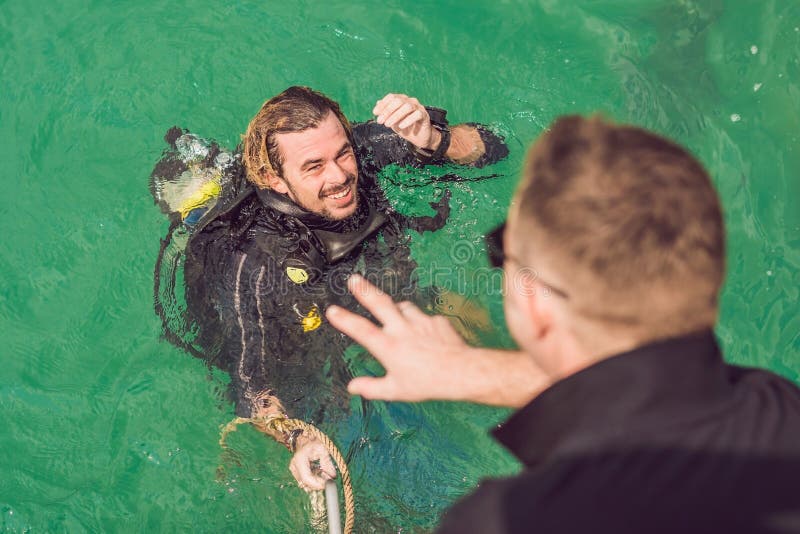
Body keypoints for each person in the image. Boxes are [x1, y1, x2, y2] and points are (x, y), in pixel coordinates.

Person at [326, 115, 800, 533]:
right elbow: (653, 401)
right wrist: (472, 371)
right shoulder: (777, 407)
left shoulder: (505, 520)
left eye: (502, 247)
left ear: (534, 300)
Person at [154, 86, 508, 495]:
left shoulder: (360, 151)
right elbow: (251, 387)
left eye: (342, 154)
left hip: (365, 285)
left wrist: (435, 140)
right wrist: (298, 440)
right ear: (275, 179)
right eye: (314, 166)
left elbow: (494, 146)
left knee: (467, 315)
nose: (339, 176)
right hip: (295, 324)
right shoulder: (250, 260)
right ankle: (200, 192)